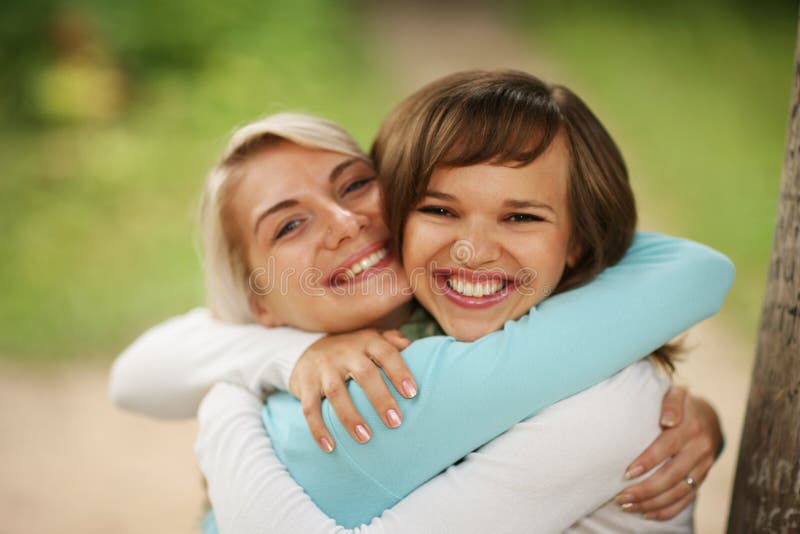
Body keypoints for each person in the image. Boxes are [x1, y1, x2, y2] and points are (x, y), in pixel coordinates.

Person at [111, 74, 732, 530]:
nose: (344, 222)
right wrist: (291, 358)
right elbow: (138, 370)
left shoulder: (402, 391)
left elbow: (691, 270)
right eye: (287, 226)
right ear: (259, 305)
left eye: (356, 185)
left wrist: (224, 410)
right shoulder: (412, 344)